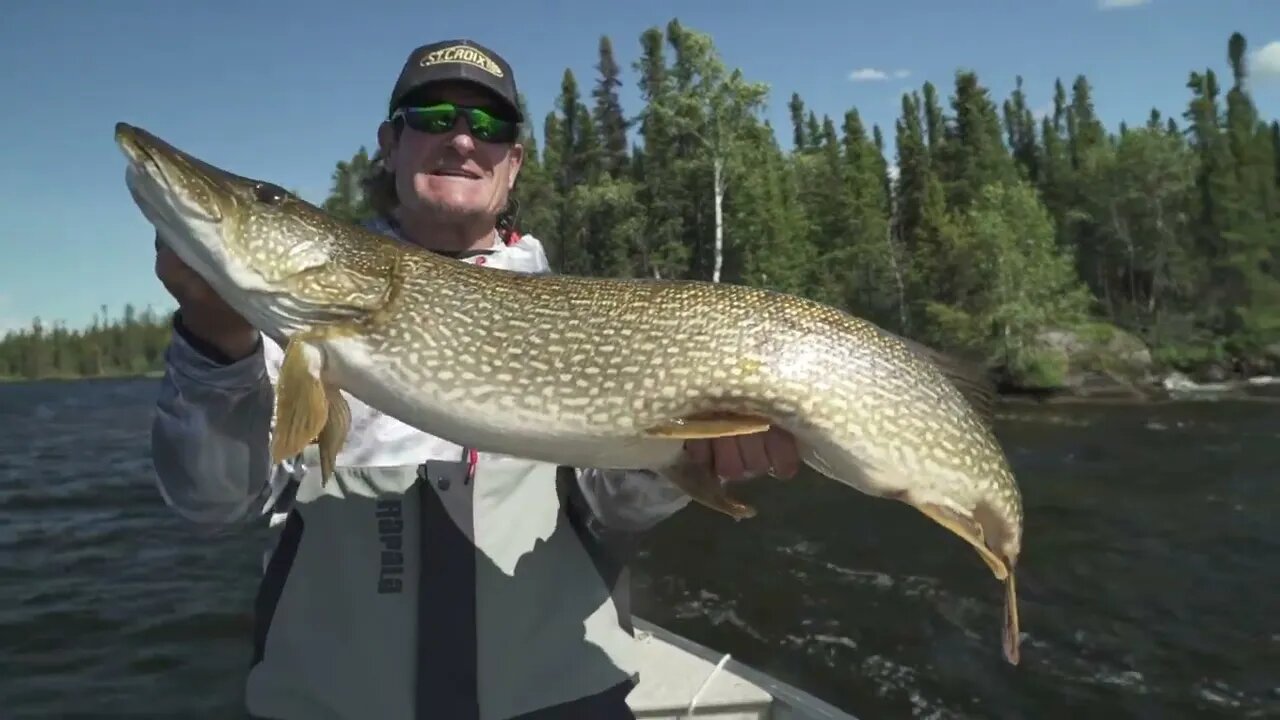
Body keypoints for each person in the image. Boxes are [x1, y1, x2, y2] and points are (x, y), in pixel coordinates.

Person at [149, 38, 800, 720]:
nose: (462, 139)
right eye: (433, 116)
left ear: (512, 164)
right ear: (390, 144)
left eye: (489, 126)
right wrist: (215, 343)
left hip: (556, 701)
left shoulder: (578, 315)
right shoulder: (290, 326)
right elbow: (211, 503)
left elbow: (615, 510)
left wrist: (686, 458)